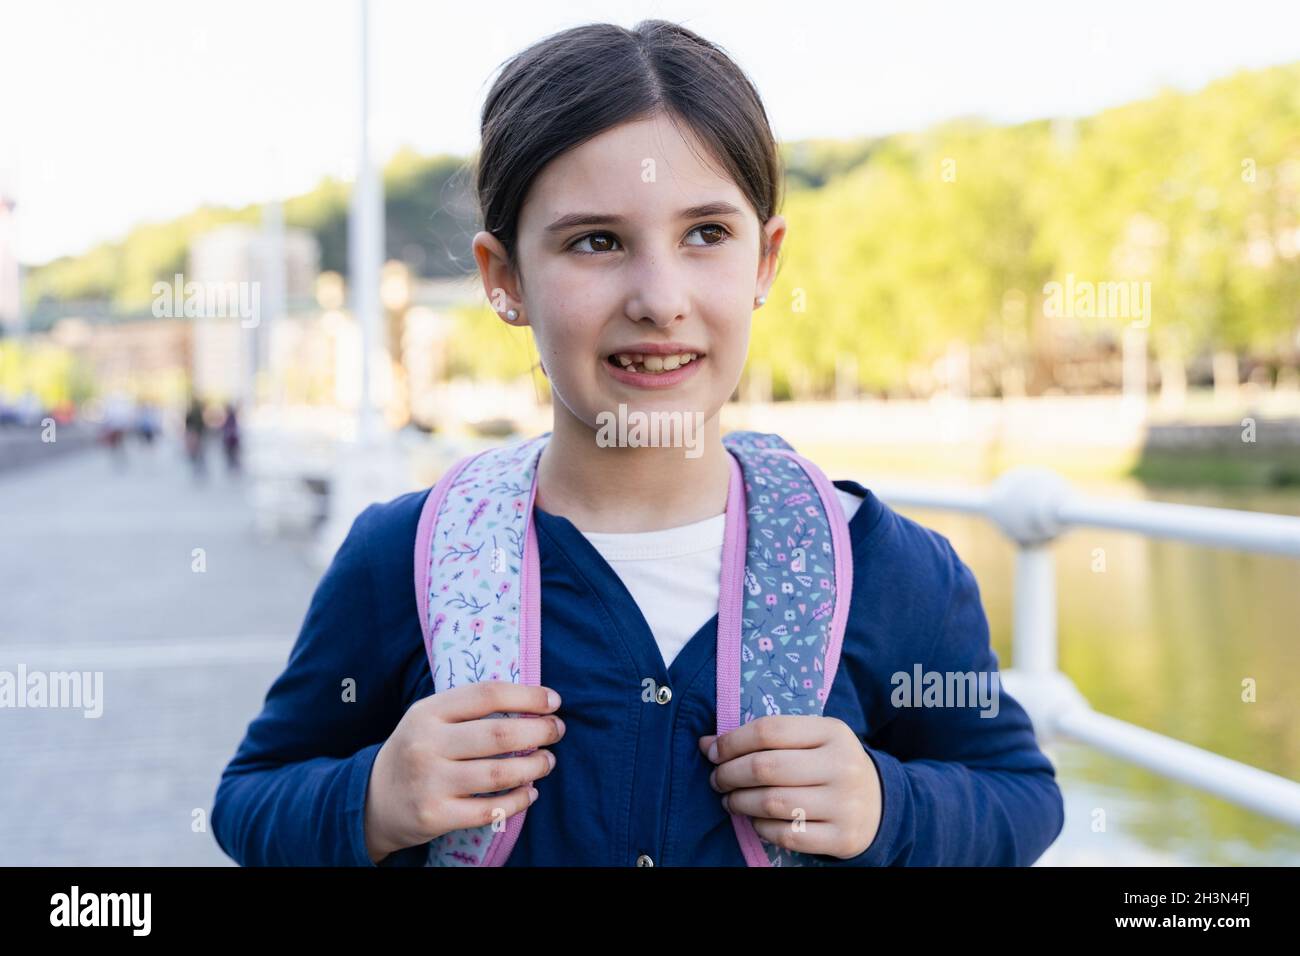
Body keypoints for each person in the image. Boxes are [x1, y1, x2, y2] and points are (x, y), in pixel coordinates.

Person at [212, 19, 1064, 867]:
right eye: (596, 241)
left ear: (766, 262)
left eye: (706, 234)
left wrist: (892, 806)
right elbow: (250, 799)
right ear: (503, 278)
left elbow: (1020, 797)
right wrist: (372, 801)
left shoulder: (888, 570)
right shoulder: (401, 558)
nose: (660, 298)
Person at [183, 395, 207, 481]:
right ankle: (198, 469)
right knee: (197, 453)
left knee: (196, 453)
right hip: (196, 435)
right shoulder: (197, 413)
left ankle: (198, 469)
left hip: (195, 435)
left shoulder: (194, 413)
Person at [220, 402, 241, 474]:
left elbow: (230, 428)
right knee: (231, 454)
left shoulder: (231, 417)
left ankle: (234, 467)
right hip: (231, 439)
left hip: (231, 439)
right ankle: (233, 467)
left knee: (232, 454)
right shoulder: (230, 417)